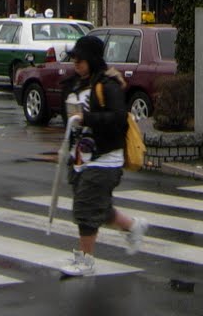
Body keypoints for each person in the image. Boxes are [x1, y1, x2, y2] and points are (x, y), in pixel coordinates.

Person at [58, 34, 148, 277]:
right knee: (99, 207)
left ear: (93, 59)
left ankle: (85, 261)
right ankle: (132, 227)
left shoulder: (107, 85)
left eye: (81, 59)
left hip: (105, 158)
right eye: (74, 58)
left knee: (86, 207)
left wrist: (87, 118)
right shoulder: (74, 84)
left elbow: (119, 119)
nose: (76, 63)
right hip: (79, 158)